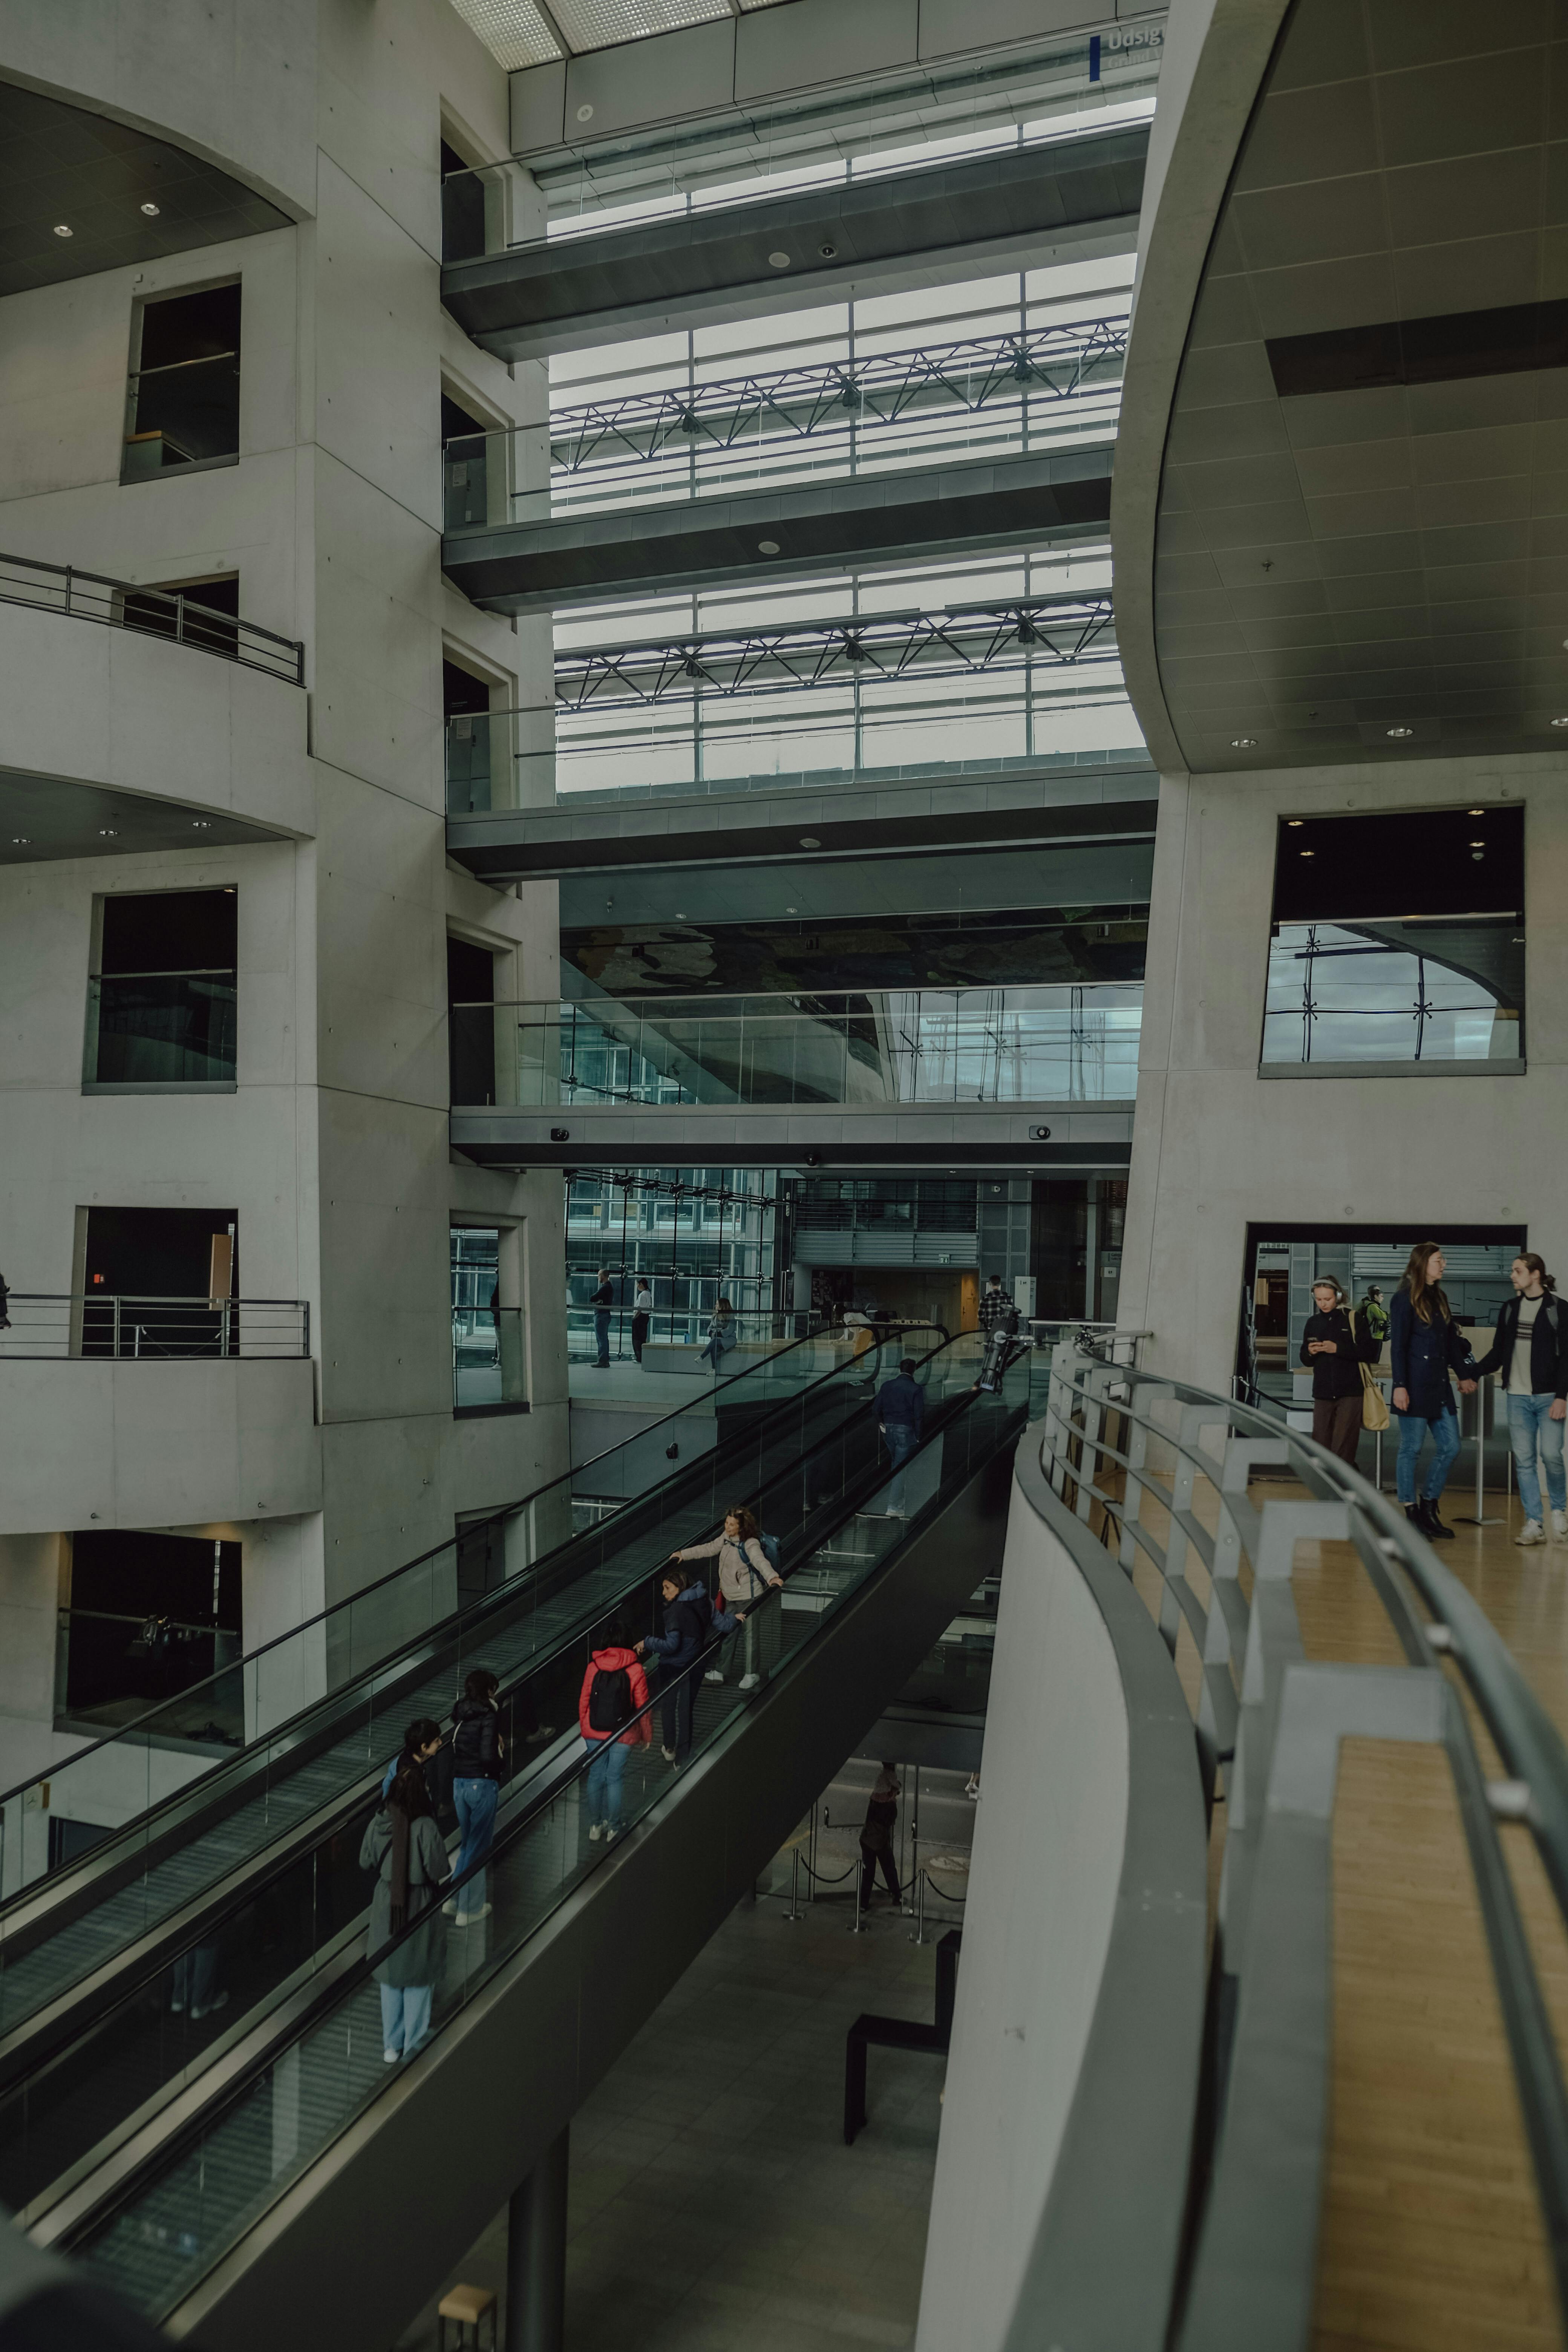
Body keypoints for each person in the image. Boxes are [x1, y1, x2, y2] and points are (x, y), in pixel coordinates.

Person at [1467, 1253, 1568, 1547]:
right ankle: (1534, 1522)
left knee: (1551, 1456)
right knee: (1524, 1462)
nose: (1512, 1275)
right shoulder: (1510, 1308)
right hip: (1517, 1398)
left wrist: (1562, 1397)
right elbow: (1499, 1352)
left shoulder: (1559, 1310)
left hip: (1549, 1397)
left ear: (1535, 1275)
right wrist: (1470, 1373)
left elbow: (1566, 1360)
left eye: (1518, 1271)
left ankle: (1560, 1510)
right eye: (1513, 1270)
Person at [360, 1758, 451, 2063]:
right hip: (419, 1904)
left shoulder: (379, 1821)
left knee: (392, 1976)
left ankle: (391, 2045)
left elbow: (365, 1861)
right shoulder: (425, 1826)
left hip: (387, 1903)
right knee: (418, 1975)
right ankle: (414, 2044)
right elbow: (439, 1867)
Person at [1389, 1241, 1478, 1541]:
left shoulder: (1440, 1297)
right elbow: (1398, 1347)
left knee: (1452, 1446)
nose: (1444, 1264)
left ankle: (1429, 1506)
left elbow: (1452, 1342)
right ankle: (1411, 1511)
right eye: (1439, 1260)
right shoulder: (1403, 1300)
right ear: (1423, 1263)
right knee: (1411, 1449)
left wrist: (1463, 1376)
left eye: (1443, 1260)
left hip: (1440, 1386)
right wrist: (1399, 1387)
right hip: (1413, 1386)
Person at [670, 1507, 783, 1691]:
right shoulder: (725, 1538)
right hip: (730, 1596)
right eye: (727, 1523)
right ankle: (722, 1671)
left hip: (749, 1597)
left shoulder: (750, 1543)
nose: (728, 1527)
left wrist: (772, 1577)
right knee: (728, 1634)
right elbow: (709, 1548)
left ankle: (751, 1673)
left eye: (732, 1524)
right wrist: (684, 1554)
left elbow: (759, 1561)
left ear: (741, 1527)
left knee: (751, 1637)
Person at [577, 1616, 651, 1841]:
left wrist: (585, 1727)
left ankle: (595, 1826)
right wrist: (647, 1735)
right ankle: (614, 1828)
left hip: (594, 1730)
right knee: (615, 1778)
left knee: (596, 1776)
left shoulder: (593, 1666)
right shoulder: (636, 1669)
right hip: (623, 1731)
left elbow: (584, 1701)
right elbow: (643, 1706)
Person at [636, 1566, 714, 1764]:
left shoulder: (675, 1611)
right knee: (686, 1710)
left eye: (667, 1588)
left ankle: (670, 1746)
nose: (664, 1593)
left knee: (669, 1706)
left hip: (673, 1667)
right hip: (694, 1664)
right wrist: (735, 1620)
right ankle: (683, 1755)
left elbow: (672, 1645)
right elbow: (721, 1623)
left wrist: (647, 1642)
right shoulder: (703, 1602)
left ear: (679, 1587)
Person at [1300, 1277, 1377, 1465]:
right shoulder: (1313, 1323)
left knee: (1344, 1446)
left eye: (1327, 1299)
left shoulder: (1353, 1319)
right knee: (1320, 1443)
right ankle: (1326, 1484)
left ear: (1339, 1297)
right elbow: (1305, 1359)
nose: (1323, 1303)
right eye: (1319, 1299)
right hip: (1323, 1392)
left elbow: (1370, 1352)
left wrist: (1338, 1349)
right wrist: (1310, 1352)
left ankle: (1343, 1486)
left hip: (1350, 1392)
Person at [449, 1667, 504, 1924]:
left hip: (459, 1784)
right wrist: (500, 1766)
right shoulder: (489, 1715)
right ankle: (469, 1910)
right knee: (479, 1847)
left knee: (468, 1844)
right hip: (481, 1784)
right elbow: (488, 1757)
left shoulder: (461, 1714)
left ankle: (454, 1898)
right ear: (489, 1690)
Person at [876, 1356, 925, 1518]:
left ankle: (899, 1500)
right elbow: (919, 1415)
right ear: (914, 1370)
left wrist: (881, 1423)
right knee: (899, 1468)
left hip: (888, 1430)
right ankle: (893, 1506)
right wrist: (918, 1436)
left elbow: (876, 1408)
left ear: (900, 1369)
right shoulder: (916, 1389)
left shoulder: (887, 1385)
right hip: (905, 1431)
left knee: (896, 1464)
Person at [859, 1763, 901, 1911]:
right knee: (889, 1868)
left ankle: (863, 1904)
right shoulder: (889, 1806)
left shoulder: (874, 1801)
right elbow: (890, 1821)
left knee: (868, 1873)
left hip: (867, 1839)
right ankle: (897, 1896)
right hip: (880, 1841)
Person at [382, 1716, 444, 1800]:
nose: (441, 1743)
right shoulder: (414, 1776)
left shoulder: (398, 1762)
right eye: (437, 1741)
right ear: (424, 1747)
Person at [700, 1296, 736, 1374]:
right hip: (718, 1338)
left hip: (729, 1339)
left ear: (722, 1306)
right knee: (714, 1347)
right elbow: (710, 1327)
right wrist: (712, 1333)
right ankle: (714, 1369)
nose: (715, 1306)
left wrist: (716, 1333)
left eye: (717, 1304)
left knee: (715, 1340)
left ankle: (702, 1357)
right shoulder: (715, 1316)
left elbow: (730, 1330)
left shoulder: (730, 1316)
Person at [590, 1268, 614, 1367]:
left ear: (603, 1276)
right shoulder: (609, 1287)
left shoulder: (605, 1288)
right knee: (603, 1338)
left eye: (599, 1275)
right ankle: (605, 1360)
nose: (598, 1277)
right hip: (605, 1315)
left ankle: (603, 1361)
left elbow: (592, 1298)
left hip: (601, 1315)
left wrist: (598, 1301)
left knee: (601, 1339)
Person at [1359, 1284, 1389, 1356]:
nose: (1383, 1299)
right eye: (1381, 1296)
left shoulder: (1372, 1306)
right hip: (1375, 1337)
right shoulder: (1373, 1307)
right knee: (1374, 1359)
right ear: (1376, 1297)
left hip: (1375, 1336)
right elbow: (1384, 1317)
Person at [631, 1280, 653, 1365]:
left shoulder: (643, 1295)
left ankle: (639, 1357)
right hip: (645, 1317)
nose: (637, 1286)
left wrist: (634, 1318)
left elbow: (639, 1309)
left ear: (641, 1284)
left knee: (637, 1338)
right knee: (642, 1337)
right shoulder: (648, 1294)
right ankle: (641, 1357)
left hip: (640, 1318)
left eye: (638, 1284)